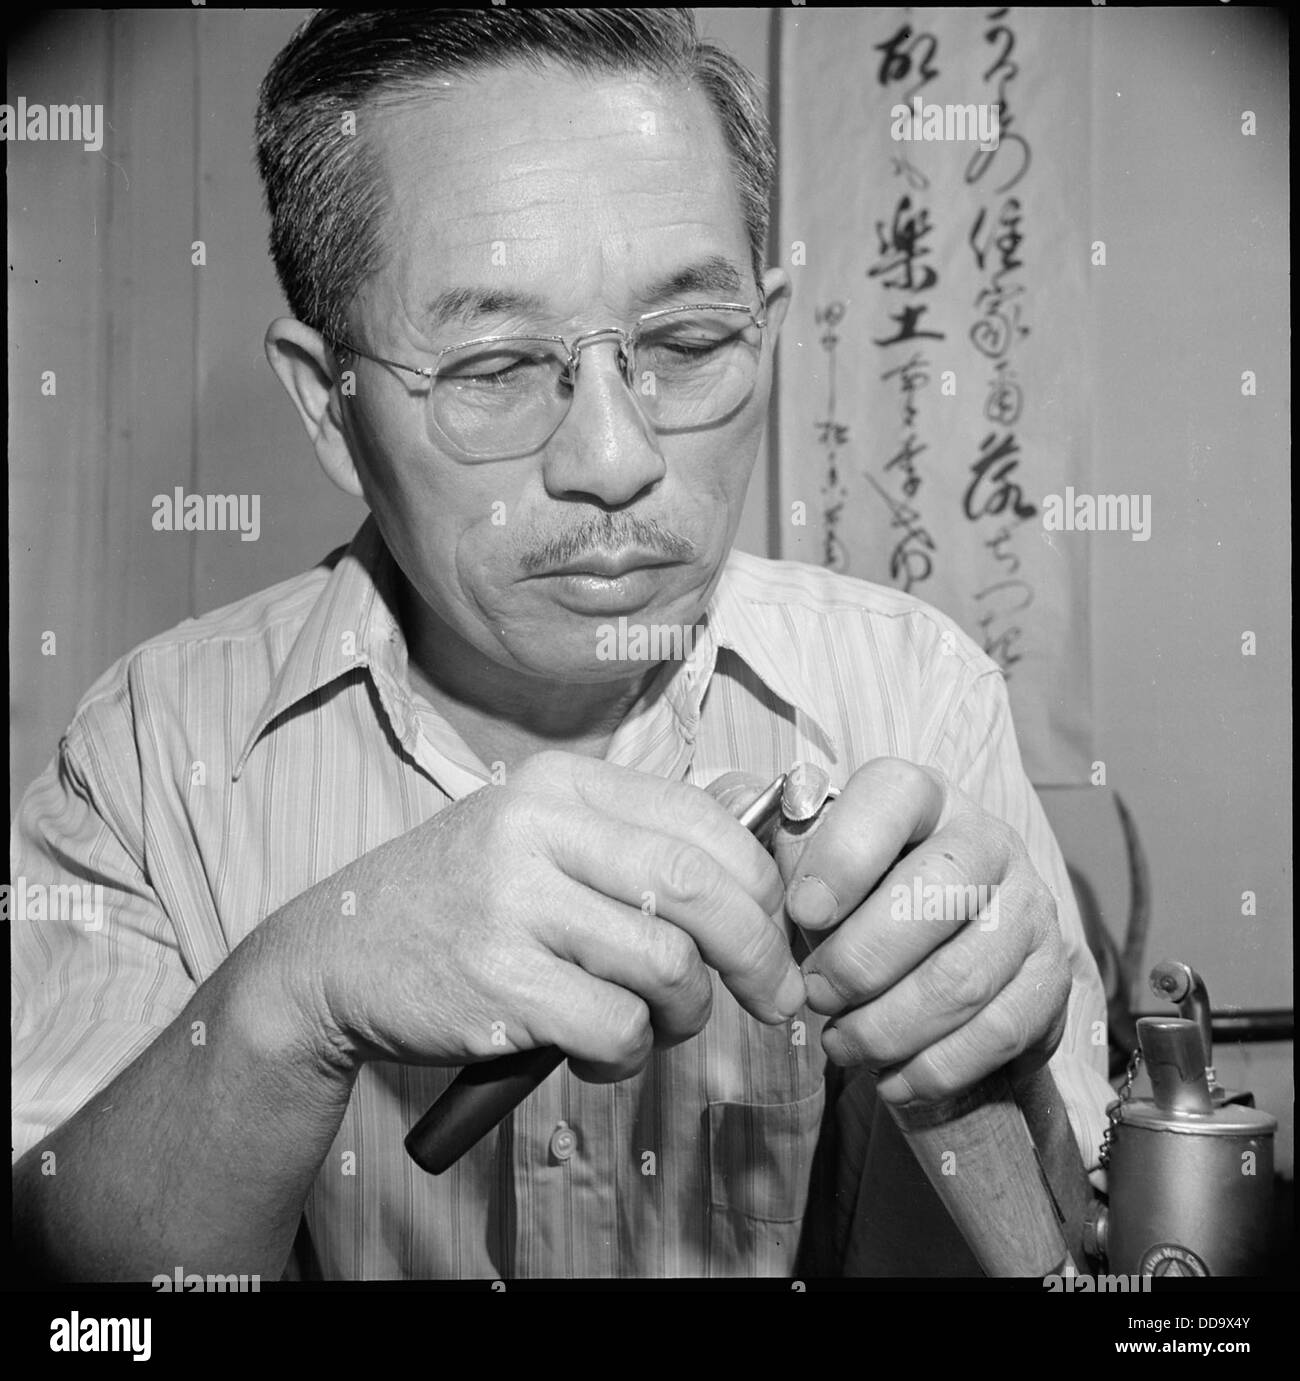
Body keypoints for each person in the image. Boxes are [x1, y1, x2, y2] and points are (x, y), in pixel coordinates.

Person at [11, 8, 1113, 1280]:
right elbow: (67, 1292)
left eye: (688, 346)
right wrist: (294, 995)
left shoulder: (915, 693)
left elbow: (1074, 1246)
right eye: (492, 365)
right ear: (332, 407)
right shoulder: (151, 755)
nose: (615, 458)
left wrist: (999, 1068)